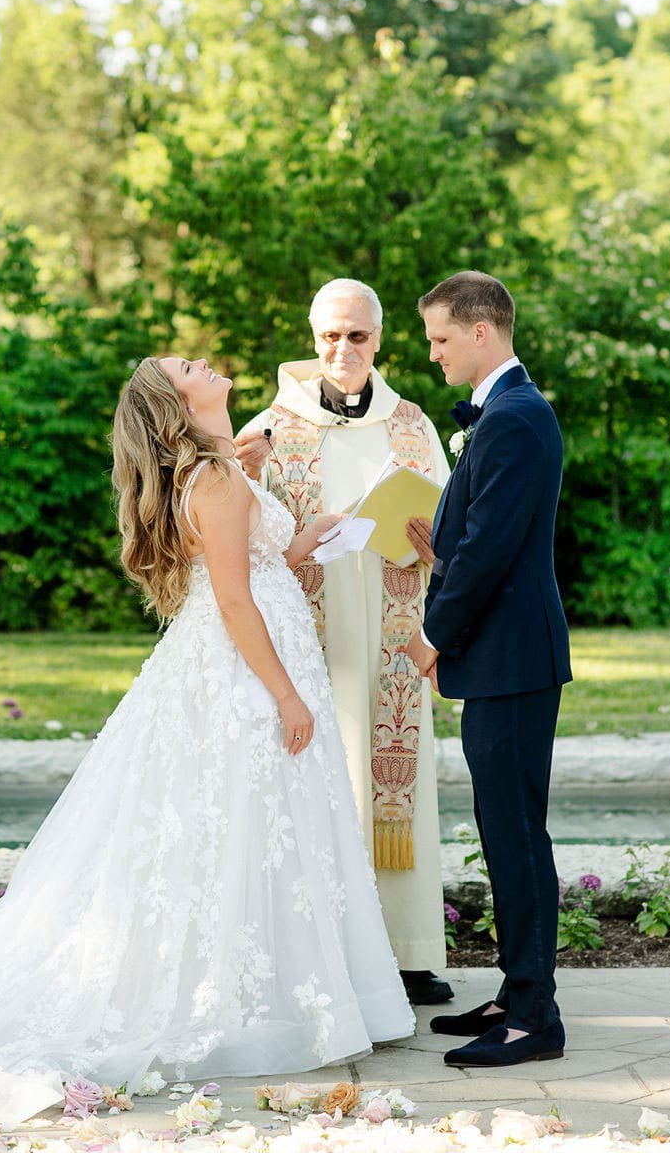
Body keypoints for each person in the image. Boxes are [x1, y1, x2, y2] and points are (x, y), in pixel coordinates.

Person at [0, 355, 413, 1133]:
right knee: (238, 827)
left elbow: (256, 569)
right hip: (239, 681)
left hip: (244, 663)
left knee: (250, 833)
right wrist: (286, 693)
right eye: (187, 366)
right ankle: (238, 1002)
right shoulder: (216, 481)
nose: (206, 361)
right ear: (175, 405)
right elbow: (229, 599)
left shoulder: (223, 471)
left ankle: (265, 990)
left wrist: (304, 543)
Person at [236, 279, 453, 1008]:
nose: (342, 349)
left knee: (398, 786)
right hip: (312, 638)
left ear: (379, 339)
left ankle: (407, 952)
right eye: (330, 335)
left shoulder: (413, 427)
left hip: (394, 634)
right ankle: (324, 953)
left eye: (356, 336)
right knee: (317, 787)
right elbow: (241, 538)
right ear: (311, 335)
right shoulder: (269, 430)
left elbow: (454, 526)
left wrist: (434, 544)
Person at [406, 271, 571, 1070]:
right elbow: (485, 537)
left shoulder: (513, 418)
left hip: (509, 659)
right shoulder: (507, 414)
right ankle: (516, 991)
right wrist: (440, 548)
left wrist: (432, 632)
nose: (433, 354)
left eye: (440, 339)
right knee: (506, 830)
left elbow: (494, 553)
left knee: (516, 836)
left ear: (481, 332)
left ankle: (536, 1017)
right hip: (504, 656)